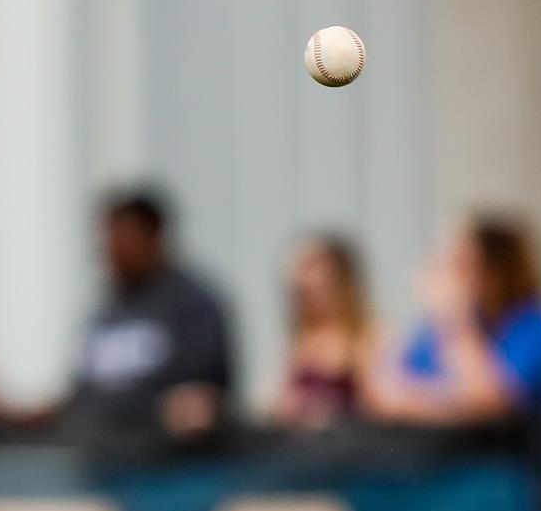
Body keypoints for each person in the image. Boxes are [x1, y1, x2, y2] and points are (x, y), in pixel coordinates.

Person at [362, 214, 541, 437]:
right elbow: (381, 393)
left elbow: (491, 403)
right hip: (433, 449)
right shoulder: (434, 328)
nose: (447, 277)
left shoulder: (533, 324)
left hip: (501, 454)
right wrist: (451, 403)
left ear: (495, 273)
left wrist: (456, 320)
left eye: (459, 266)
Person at [64, 190, 234, 444]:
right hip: (99, 453)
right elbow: (84, 393)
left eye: (121, 236)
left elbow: (196, 397)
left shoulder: (192, 305)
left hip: (169, 459)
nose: (110, 249)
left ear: (153, 237)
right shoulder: (105, 311)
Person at [269, 235, 377, 431]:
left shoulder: (367, 334)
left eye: (310, 265)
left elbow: (378, 402)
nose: (299, 276)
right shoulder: (301, 341)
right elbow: (279, 401)